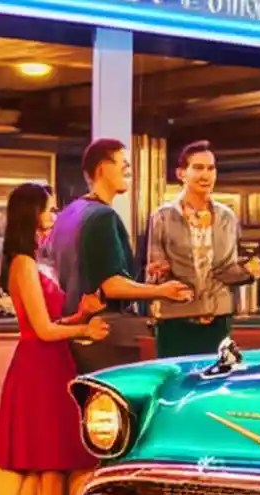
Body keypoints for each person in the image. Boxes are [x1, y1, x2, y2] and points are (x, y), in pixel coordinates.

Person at [0, 183, 109, 495]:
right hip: (37, 368)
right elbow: (43, 330)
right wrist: (85, 328)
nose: (55, 212)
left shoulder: (33, 262)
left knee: (44, 468)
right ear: (33, 214)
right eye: (48, 208)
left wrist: (81, 312)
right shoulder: (24, 264)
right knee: (38, 467)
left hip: (49, 366)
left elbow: (52, 322)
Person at [44, 138, 192, 371]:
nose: (129, 171)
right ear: (102, 168)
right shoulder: (103, 216)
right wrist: (162, 290)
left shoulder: (69, 214)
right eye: (124, 165)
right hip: (106, 334)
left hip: (75, 335)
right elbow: (112, 285)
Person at [145, 140, 260, 357]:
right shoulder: (162, 216)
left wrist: (252, 271)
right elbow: (156, 273)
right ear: (181, 173)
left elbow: (227, 270)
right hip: (175, 320)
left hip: (218, 319)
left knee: (215, 381)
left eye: (211, 168)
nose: (205, 175)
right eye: (198, 168)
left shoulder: (227, 217)